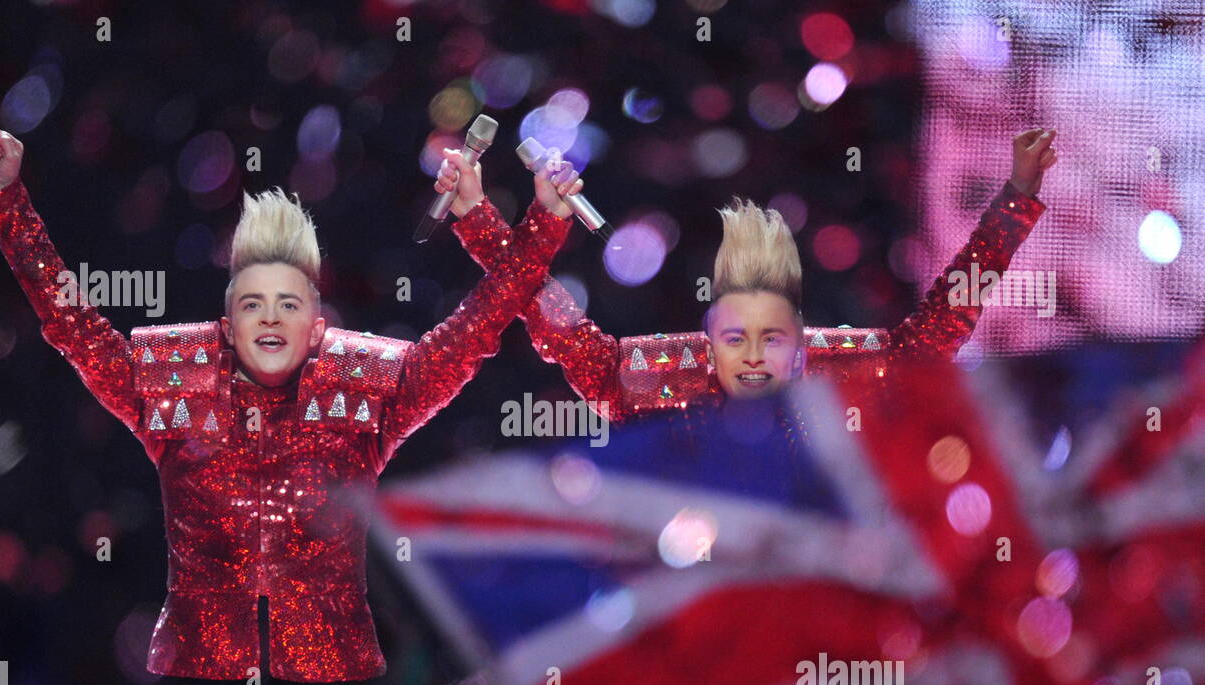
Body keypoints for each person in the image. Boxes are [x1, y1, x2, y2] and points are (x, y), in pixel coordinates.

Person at [0, 127, 574, 685]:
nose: (269, 318)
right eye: (252, 304)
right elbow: (70, 323)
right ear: (225, 325)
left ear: (317, 326)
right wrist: (7, 205)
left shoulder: (369, 400)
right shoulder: (169, 397)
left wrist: (544, 226)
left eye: (288, 304)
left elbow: (476, 329)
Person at [436, 129, 1057, 421]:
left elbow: (940, 325)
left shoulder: (847, 380)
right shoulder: (666, 381)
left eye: (773, 339)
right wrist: (482, 218)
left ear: (803, 341)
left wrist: (1017, 198)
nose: (755, 358)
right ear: (710, 340)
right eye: (736, 340)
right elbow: (554, 322)